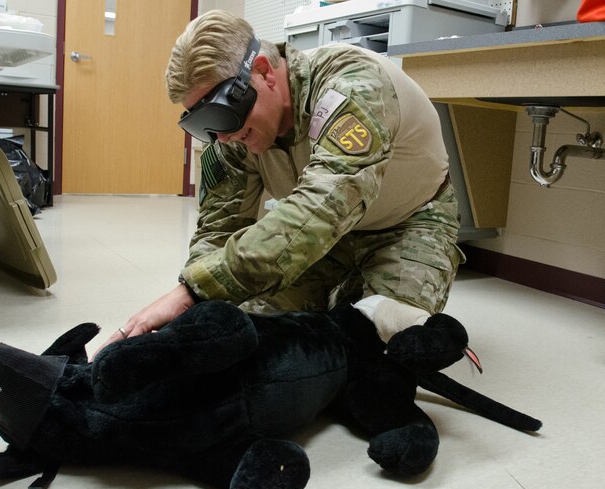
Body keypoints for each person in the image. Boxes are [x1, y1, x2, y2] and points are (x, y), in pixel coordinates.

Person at [94, 10, 467, 357]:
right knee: (248, 332)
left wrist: (194, 291)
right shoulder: (233, 134)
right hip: (327, 241)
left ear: (262, 71)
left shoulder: (352, 85)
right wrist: (197, 312)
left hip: (408, 223)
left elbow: (323, 208)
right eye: (202, 122)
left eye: (221, 112)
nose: (221, 136)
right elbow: (219, 227)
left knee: (379, 348)